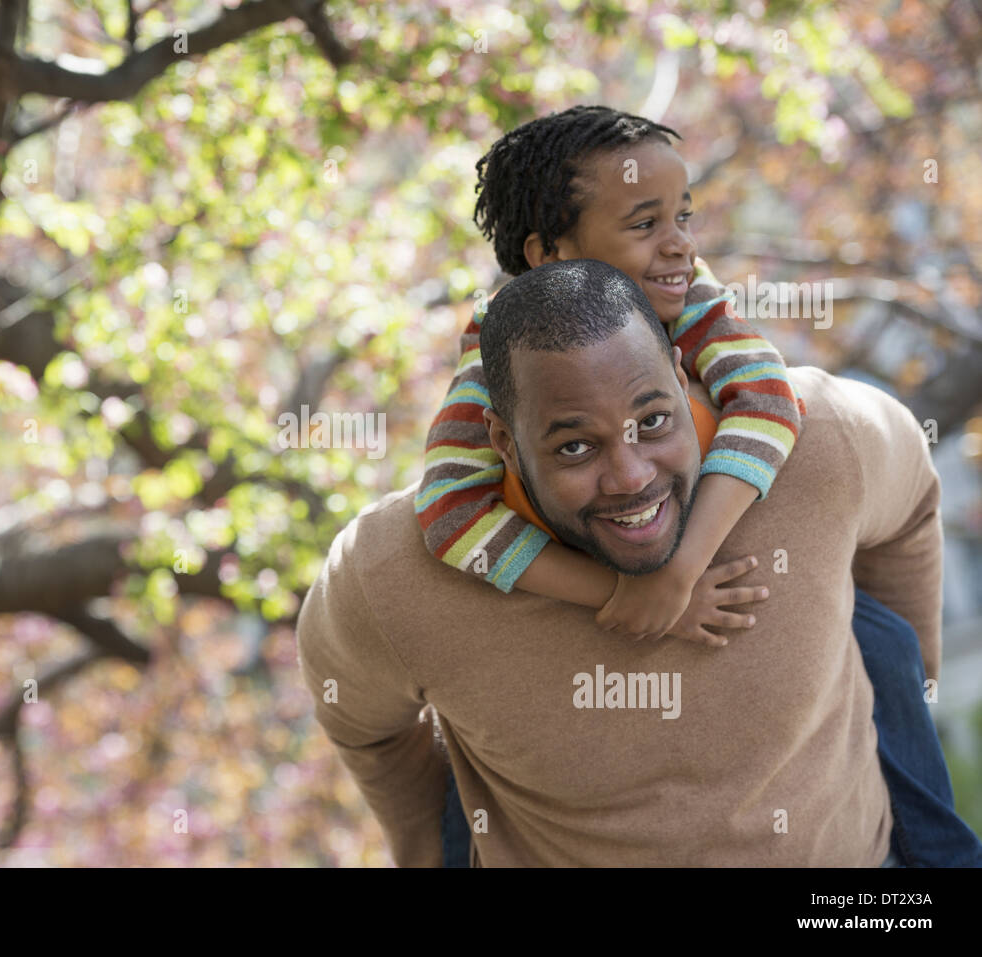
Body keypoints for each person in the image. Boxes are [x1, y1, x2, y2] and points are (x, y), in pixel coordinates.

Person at [412, 106, 980, 867]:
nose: (680, 243)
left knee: (877, 635)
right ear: (547, 253)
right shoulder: (505, 354)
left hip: (733, 591)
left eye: (683, 216)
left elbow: (770, 400)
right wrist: (615, 597)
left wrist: (680, 575)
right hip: (576, 607)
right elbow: (449, 513)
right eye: (645, 224)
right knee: (473, 747)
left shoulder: (691, 295)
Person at [296, 258, 979, 866]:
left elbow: (914, 500)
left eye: (652, 422)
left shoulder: (821, 444)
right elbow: (362, 723)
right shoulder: (391, 574)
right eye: (574, 448)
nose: (629, 476)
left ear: (681, 379)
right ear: (504, 441)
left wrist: (904, 697)